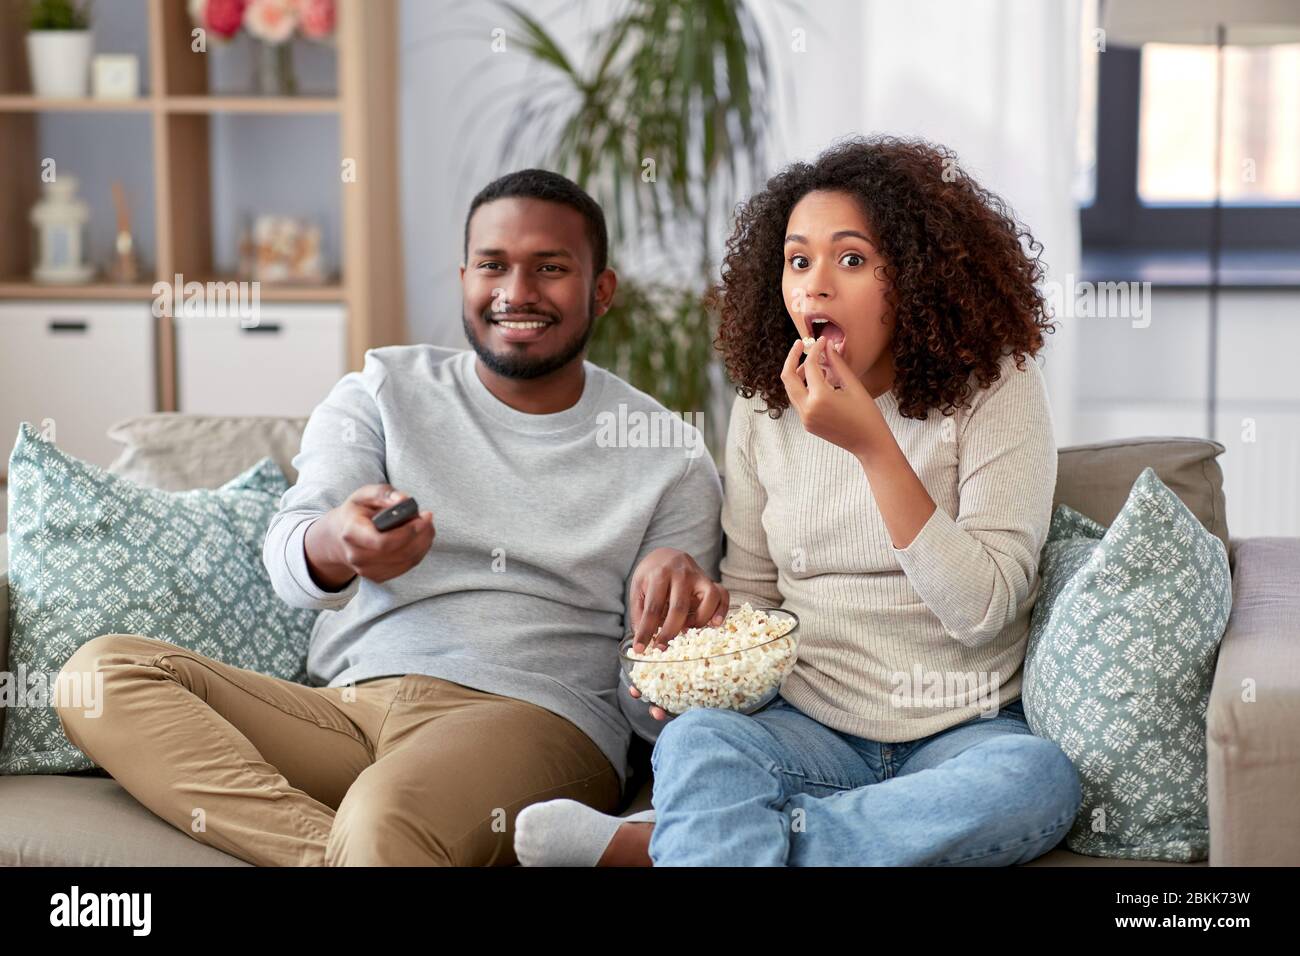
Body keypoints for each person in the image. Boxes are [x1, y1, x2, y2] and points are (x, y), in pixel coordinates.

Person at [54, 169, 722, 866]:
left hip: (533, 721)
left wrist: (662, 637)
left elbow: (654, 713)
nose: (516, 293)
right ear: (465, 276)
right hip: (345, 710)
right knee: (98, 677)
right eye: (493, 266)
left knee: (383, 817)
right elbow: (293, 552)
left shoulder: (667, 454)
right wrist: (337, 543)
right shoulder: (382, 390)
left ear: (601, 290)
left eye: (550, 269)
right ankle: (342, 856)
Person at [514, 136, 1082, 866]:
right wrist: (699, 665)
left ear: (916, 276)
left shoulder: (997, 386)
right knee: (696, 740)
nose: (815, 286)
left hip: (963, 730)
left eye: (851, 259)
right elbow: (753, 599)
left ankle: (698, 839)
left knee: (1037, 782)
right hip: (808, 724)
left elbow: (984, 608)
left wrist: (873, 445)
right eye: (798, 260)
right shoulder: (764, 409)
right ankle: (747, 828)